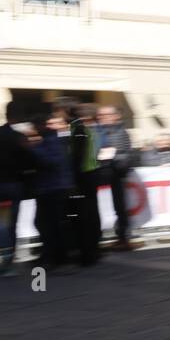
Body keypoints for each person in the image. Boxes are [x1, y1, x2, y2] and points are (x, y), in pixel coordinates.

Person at [0, 100, 39, 277]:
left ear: (6, 114)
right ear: (20, 117)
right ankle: (9, 259)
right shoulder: (20, 138)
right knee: (11, 223)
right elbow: (31, 160)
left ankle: (3, 255)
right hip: (15, 184)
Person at [33, 105, 76, 269]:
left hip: (54, 187)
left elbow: (53, 162)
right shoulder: (48, 141)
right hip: (51, 187)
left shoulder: (54, 141)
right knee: (46, 223)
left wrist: (33, 152)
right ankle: (51, 255)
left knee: (52, 223)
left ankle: (57, 257)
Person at [95, 105, 137, 251]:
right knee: (94, 206)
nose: (102, 118)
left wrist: (110, 158)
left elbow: (127, 155)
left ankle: (123, 237)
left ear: (115, 116)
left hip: (116, 174)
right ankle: (96, 237)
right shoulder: (96, 131)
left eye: (106, 115)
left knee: (120, 207)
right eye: (100, 115)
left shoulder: (122, 132)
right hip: (98, 173)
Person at [66, 101, 102, 267]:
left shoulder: (77, 129)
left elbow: (77, 157)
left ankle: (87, 254)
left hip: (83, 177)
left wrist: (73, 180)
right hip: (91, 174)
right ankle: (93, 250)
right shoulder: (88, 129)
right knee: (91, 214)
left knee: (83, 215)